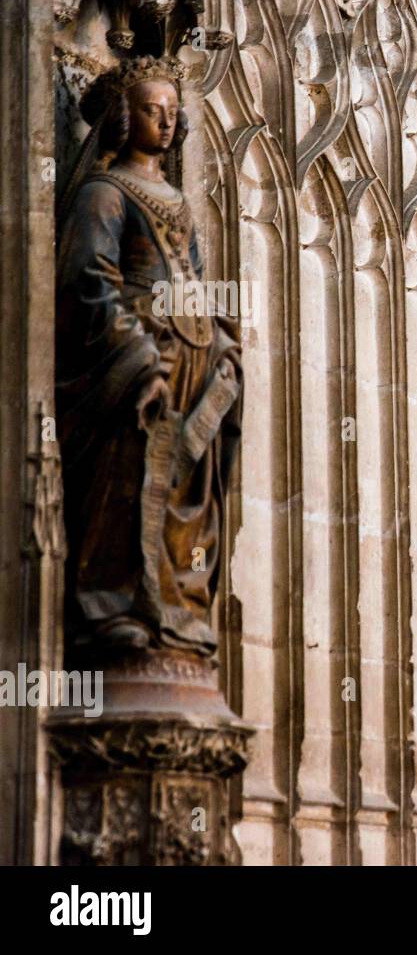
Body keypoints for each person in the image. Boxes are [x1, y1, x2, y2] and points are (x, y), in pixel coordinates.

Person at [56, 56, 241, 660]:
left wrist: (223, 341)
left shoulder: (176, 200)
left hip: (192, 359)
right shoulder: (104, 192)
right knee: (126, 480)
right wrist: (133, 353)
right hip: (137, 361)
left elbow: (194, 279)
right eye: (149, 110)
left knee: (190, 493)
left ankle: (180, 610)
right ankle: (114, 606)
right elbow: (88, 274)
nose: (164, 121)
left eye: (171, 111)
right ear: (121, 117)